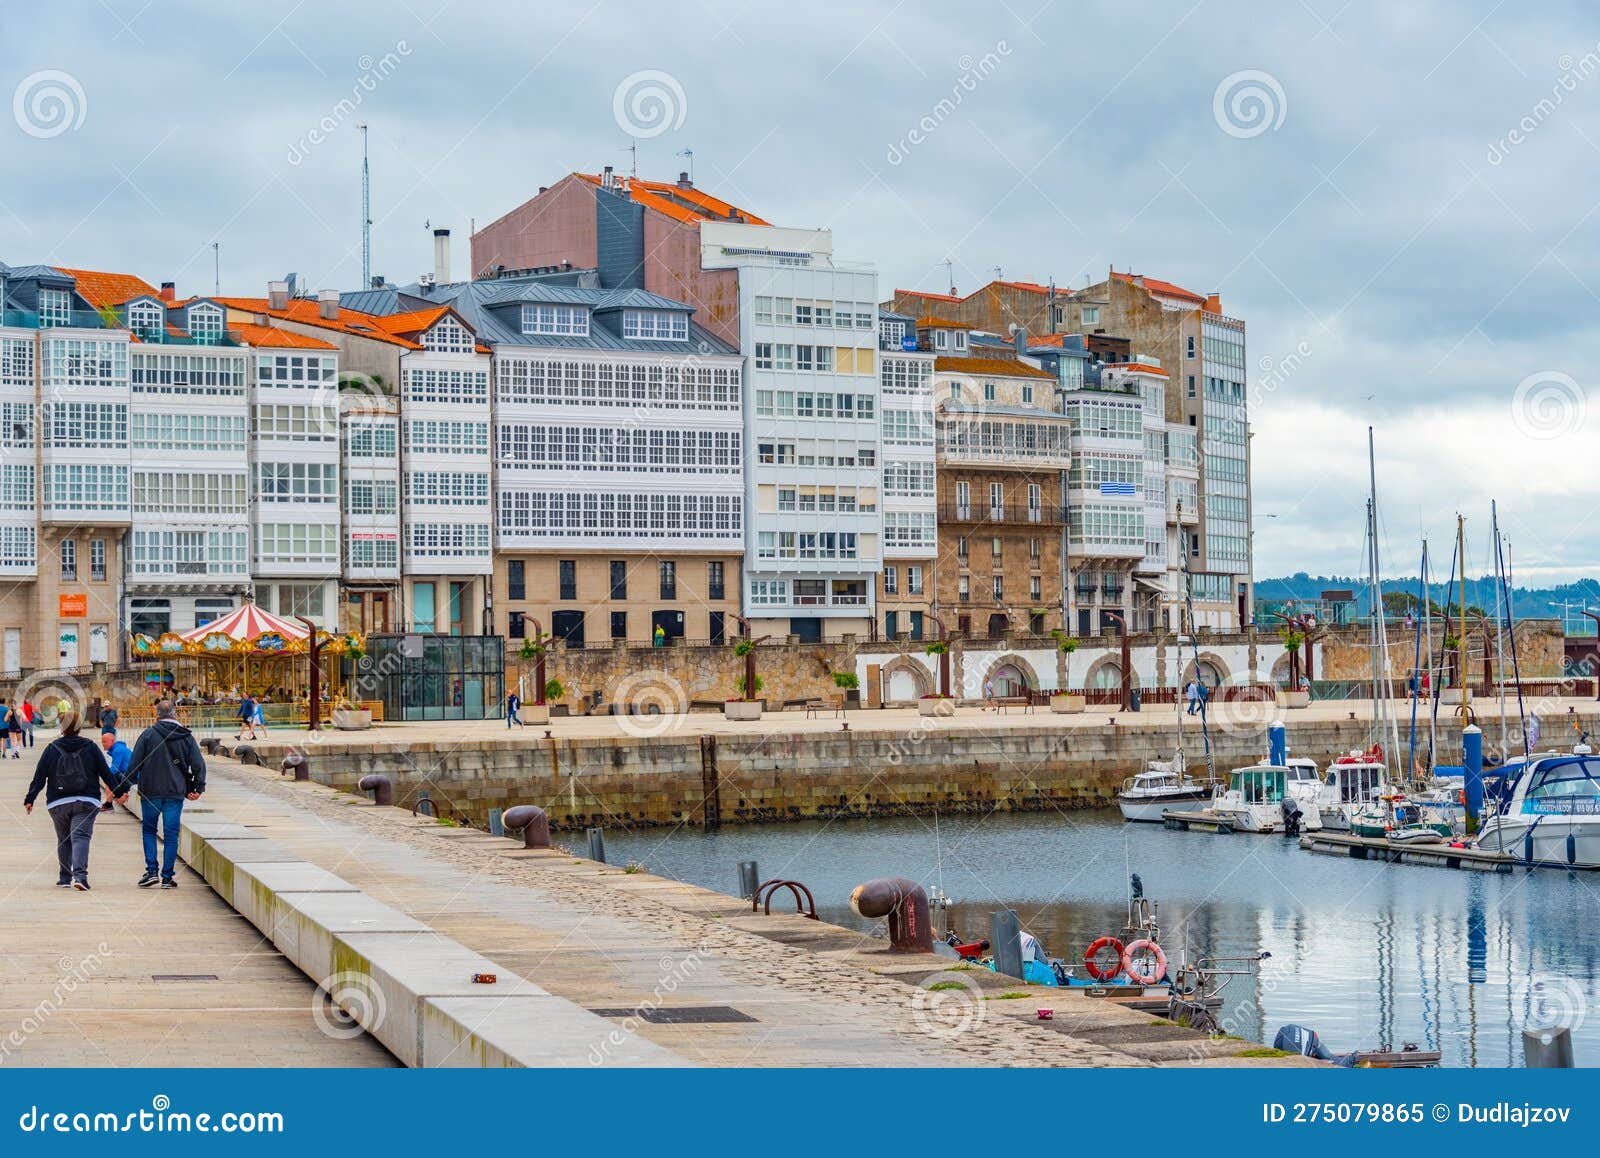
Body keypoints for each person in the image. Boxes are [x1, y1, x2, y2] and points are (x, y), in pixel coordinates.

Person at [23, 709, 128, 891]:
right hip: (86, 800)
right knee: (81, 837)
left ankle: (65, 878)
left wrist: (30, 798)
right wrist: (119, 794)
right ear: (80, 727)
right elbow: (107, 774)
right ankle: (80, 876)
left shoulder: (51, 748)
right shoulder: (91, 747)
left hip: (58, 802)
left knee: (63, 839)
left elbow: (39, 777)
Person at [127, 698, 206, 889]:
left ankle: (152, 871)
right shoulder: (185, 736)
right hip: (174, 792)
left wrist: (123, 788)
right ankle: (167, 876)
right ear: (175, 713)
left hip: (151, 792)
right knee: (171, 834)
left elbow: (133, 765)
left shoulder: (147, 735)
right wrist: (197, 787)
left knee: (149, 830)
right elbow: (198, 764)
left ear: (157, 715)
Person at [99, 728, 131, 812]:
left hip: (131, 777)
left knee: (108, 779)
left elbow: (114, 769)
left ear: (112, 741)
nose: (103, 744)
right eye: (102, 741)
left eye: (105, 742)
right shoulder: (118, 748)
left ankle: (109, 804)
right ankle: (115, 799)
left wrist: (100, 772)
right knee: (110, 778)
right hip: (128, 775)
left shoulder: (118, 750)